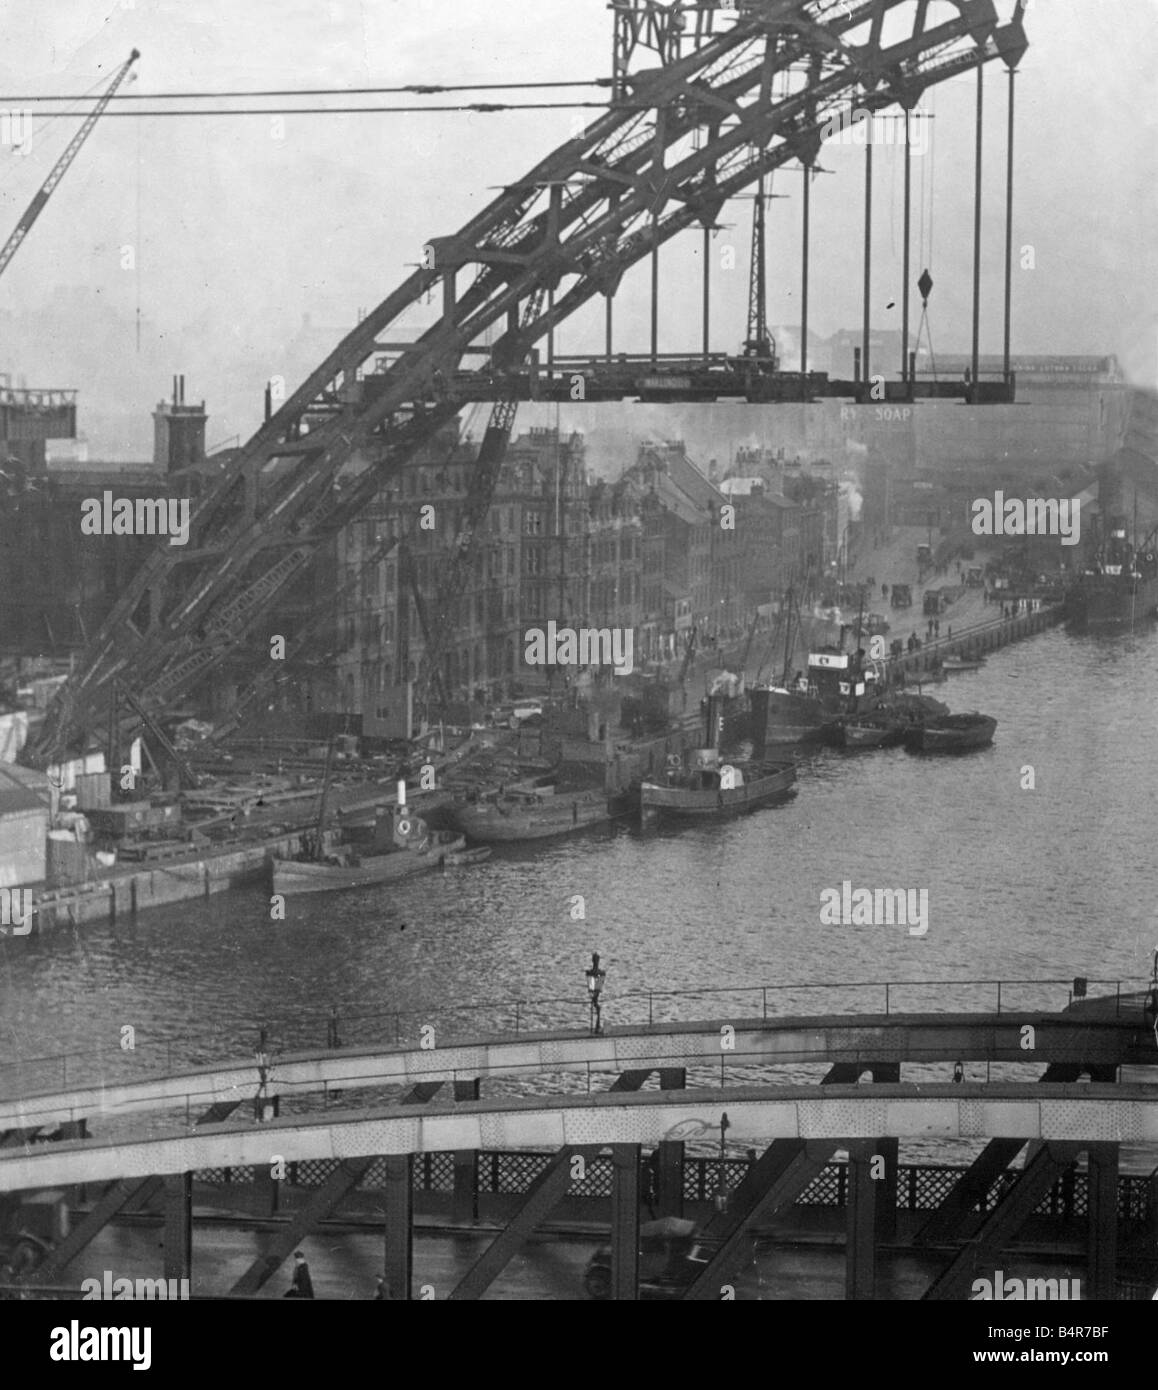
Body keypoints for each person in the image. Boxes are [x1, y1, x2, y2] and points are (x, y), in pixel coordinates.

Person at [586, 952, 606, 1036]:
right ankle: (597, 1026)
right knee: (597, 1006)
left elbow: (598, 986)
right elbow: (591, 986)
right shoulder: (592, 973)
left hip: (596, 991)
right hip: (595, 991)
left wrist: (595, 992)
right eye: (596, 960)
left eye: (597, 960)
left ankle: (597, 1026)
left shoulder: (599, 973)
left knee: (597, 1006)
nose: (596, 961)